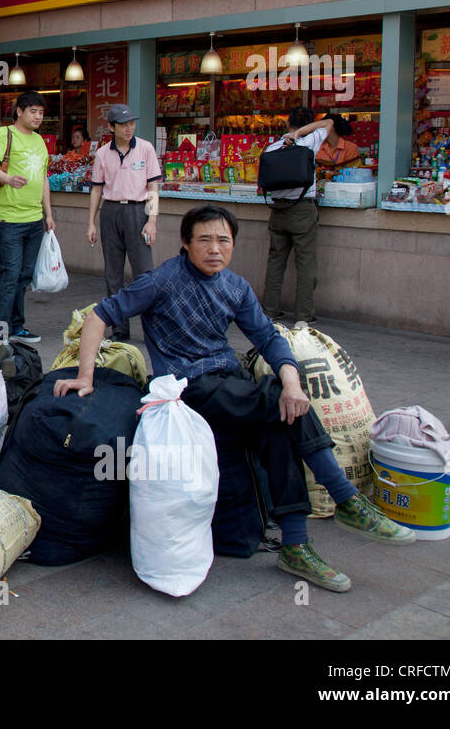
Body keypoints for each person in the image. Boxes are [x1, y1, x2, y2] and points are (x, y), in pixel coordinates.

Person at [55, 204, 413, 592]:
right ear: (186, 244)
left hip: (229, 384)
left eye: (223, 240)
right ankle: (346, 497)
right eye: (205, 240)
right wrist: (85, 377)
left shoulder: (235, 287)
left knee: (280, 423)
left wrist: (293, 383)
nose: (214, 249)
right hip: (187, 388)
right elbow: (99, 315)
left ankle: (295, 545)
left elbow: (270, 339)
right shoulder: (161, 280)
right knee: (275, 400)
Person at [0, 91, 53, 344]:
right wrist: (8, 179)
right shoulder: (4, 134)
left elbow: (44, 178)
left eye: (41, 112)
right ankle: (1, 331)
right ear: (19, 111)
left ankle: (17, 326)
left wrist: (48, 214)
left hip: (34, 218)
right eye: (33, 111)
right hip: (9, 217)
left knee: (24, 275)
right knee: (10, 274)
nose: (38, 116)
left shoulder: (40, 141)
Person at [85, 103, 161, 340]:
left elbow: (153, 187)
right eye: (123, 125)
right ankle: (119, 328)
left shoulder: (146, 149)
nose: (129, 129)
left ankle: (153, 327)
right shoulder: (102, 154)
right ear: (111, 127)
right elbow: (97, 190)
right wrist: (91, 222)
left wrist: (152, 220)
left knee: (145, 273)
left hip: (138, 213)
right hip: (111, 213)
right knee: (113, 274)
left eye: (131, 123)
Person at [260, 108, 334, 324]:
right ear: (307, 124)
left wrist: (293, 134)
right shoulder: (308, 142)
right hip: (302, 210)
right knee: (306, 263)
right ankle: (303, 315)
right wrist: (301, 133)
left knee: (275, 262)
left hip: (278, 210)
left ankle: (270, 310)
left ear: (287, 123)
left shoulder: (273, 147)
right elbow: (329, 123)